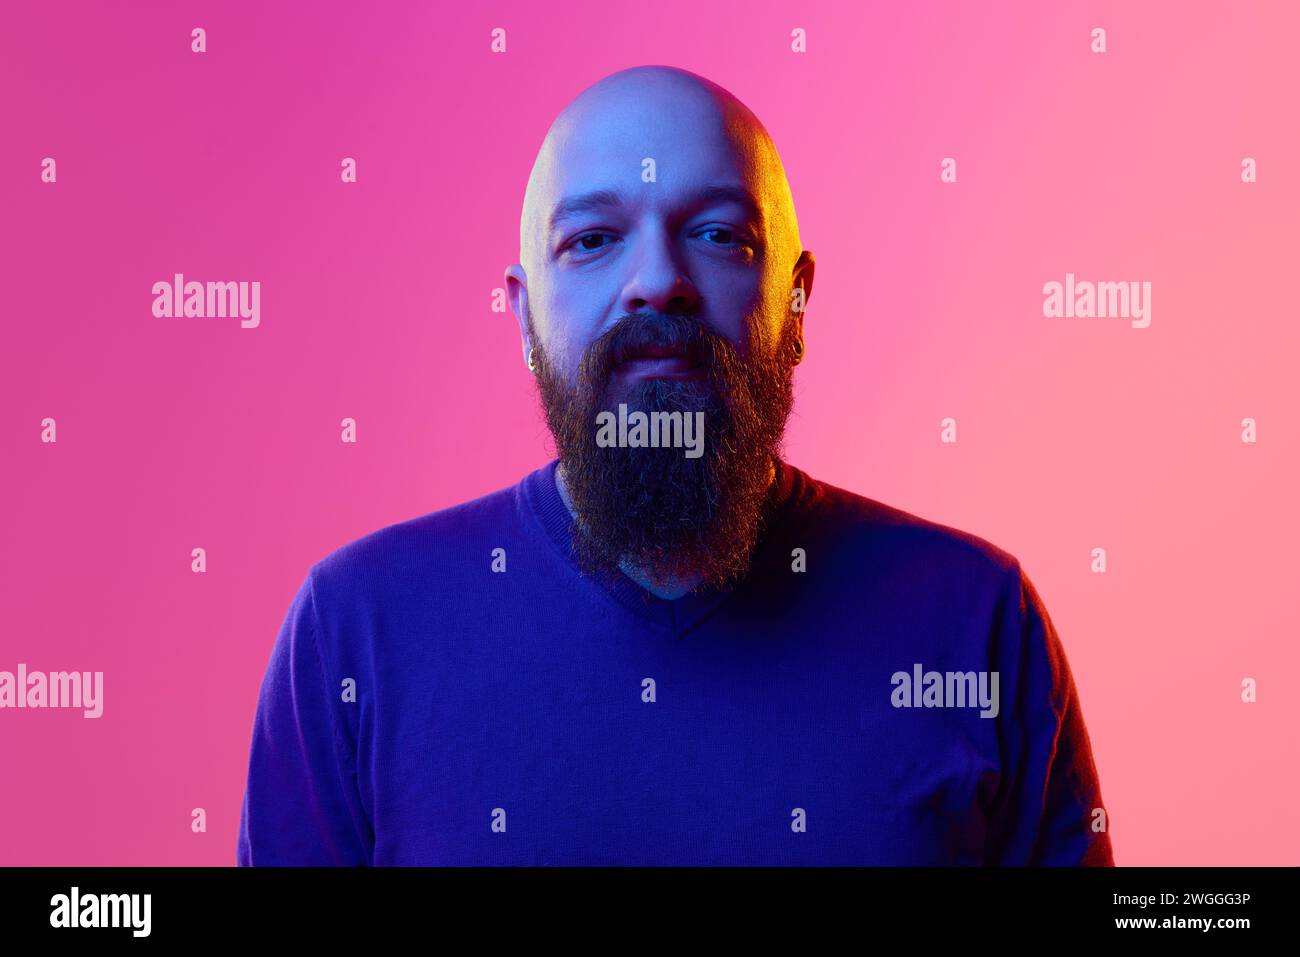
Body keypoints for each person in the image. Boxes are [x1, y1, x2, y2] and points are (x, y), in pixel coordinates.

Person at [236, 64, 1114, 866]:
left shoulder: (975, 617)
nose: (658, 280)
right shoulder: (353, 631)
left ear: (796, 303)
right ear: (524, 321)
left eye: (719, 234)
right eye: (590, 240)